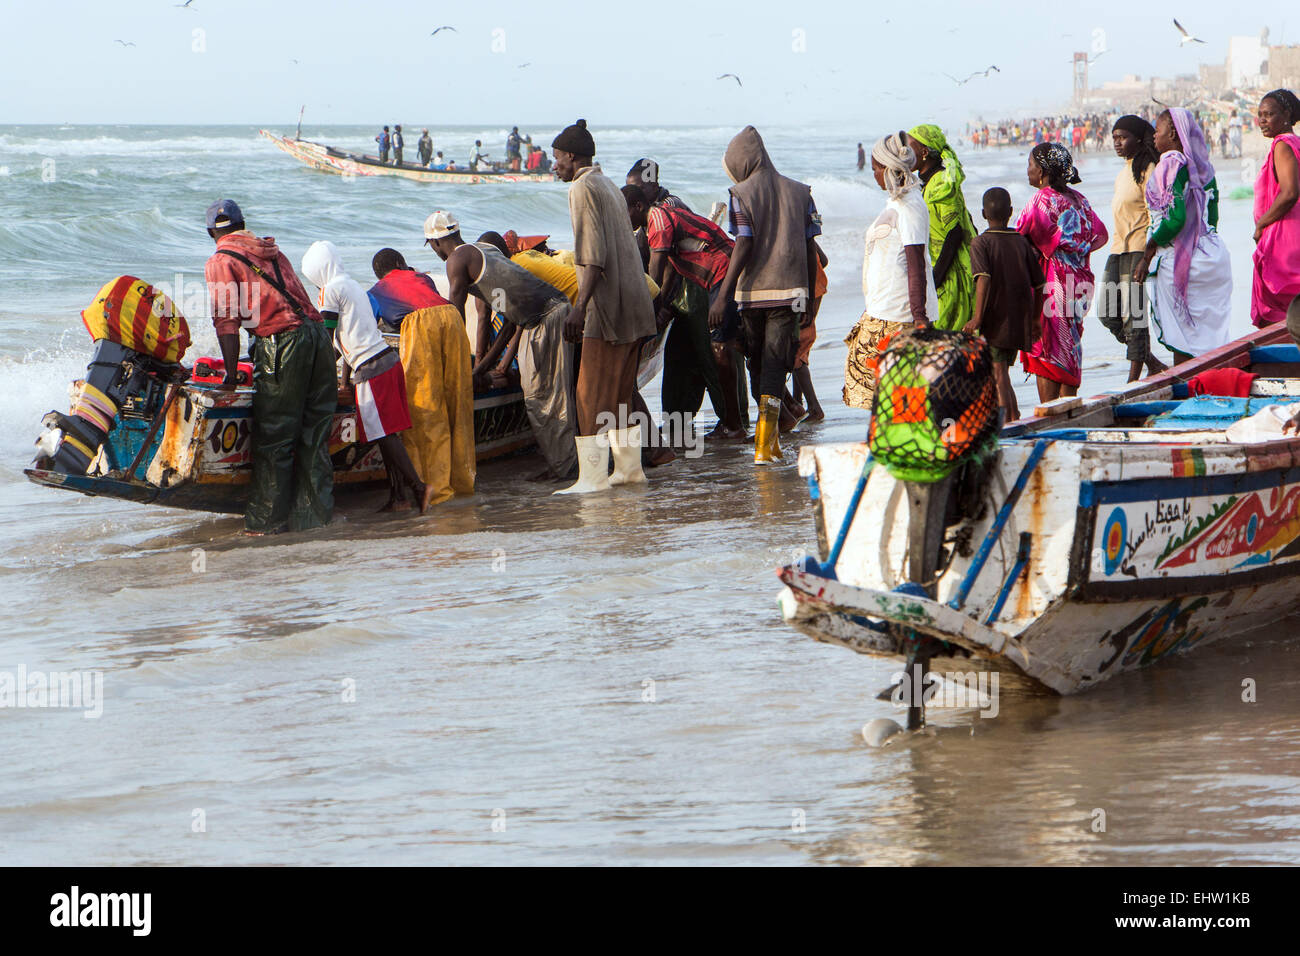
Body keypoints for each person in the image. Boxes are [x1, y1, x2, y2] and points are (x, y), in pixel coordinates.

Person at [202, 199, 335, 534]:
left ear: (210, 233)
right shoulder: (271, 250)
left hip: (282, 344)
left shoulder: (221, 259)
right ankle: (314, 522)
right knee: (315, 437)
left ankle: (266, 526)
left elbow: (226, 320)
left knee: (275, 440)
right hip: (318, 339)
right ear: (243, 223)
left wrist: (231, 376)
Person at [424, 211, 577, 478]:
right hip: (546, 314)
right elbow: (509, 321)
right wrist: (482, 368)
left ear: (436, 242)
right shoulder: (484, 249)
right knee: (547, 394)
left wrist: (456, 369)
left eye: (433, 246)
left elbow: (455, 318)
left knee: (543, 396)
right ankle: (562, 464)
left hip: (546, 318)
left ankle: (566, 470)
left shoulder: (456, 261)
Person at [551, 119, 658, 491]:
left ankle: (593, 477)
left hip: (608, 308)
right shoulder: (608, 183)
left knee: (589, 394)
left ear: (571, 156)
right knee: (619, 395)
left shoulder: (582, 188)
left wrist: (580, 308)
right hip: (638, 304)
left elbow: (592, 255)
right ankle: (629, 470)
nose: (554, 166)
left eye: (557, 158)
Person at [709, 126, 821, 464]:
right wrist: (809, 300)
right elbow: (809, 247)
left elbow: (743, 242)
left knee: (756, 363)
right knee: (775, 364)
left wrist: (723, 295)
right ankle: (765, 441)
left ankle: (766, 440)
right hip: (791, 294)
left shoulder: (740, 192)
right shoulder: (801, 192)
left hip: (751, 295)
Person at [301, 241, 434, 513]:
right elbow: (349, 338)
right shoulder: (352, 286)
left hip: (372, 369)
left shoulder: (329, 290)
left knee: (385, 435)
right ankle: (398, 497)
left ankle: (419, 488)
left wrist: (313, 379)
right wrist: (343, 380)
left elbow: (327, 340)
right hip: (388, 361)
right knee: (386, 433)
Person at [621, 184, 739, 439]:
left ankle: (733, 424)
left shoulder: (659, 221)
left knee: (719, 349)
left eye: (624, 212)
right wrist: (661, 306)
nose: (622, 219)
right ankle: (732, 422)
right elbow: (670, 271)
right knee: (723, 349)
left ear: (638, 206)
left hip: (721, 273)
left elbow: (656, 271)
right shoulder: (659, 219)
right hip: (710, 279)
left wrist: (649, 313)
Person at [367, 248, 475, 504]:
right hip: (452, 320)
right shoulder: (421, 278)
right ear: (399, 263)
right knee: (457, 403)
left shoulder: (375, 291)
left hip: (420, 327)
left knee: (427, 410)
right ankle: (462, 482)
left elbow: (369, 330)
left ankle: (436, 490)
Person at [842, 133, 935, 410]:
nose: (873, 175)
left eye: (875, 169)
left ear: (889, 168)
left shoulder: (910, 207)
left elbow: (916, 262)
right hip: (882, 310)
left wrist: (919, 318)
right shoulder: (897, 203)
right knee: (885, 392)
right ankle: (893, 444)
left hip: (899, 315)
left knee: (900, 394)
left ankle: (903, 445)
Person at [1134, 109, 1232, 364]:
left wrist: (1149, 250)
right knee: (1210, 342)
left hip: (1179, 262)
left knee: (1184, 341)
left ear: (1173, 133)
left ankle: (1191, 395)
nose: (1154, 136)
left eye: (1158, 130)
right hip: (1212, 258)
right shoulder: (1203, 166)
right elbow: (1212, 216)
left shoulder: (1169, 164)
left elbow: (1174, 220)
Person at [1017, 143, 1108, 401]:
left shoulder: (1042, 199)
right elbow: (1100, 234)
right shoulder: (1080, 200)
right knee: (1071, 346)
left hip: (1053, 282)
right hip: (1080, 282)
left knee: (1048, 350)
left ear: (1043, 172)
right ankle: (1070, 408)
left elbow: (1020, 236)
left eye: (1031, 165)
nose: (1028, 171)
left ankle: (1050, 415)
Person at [968, 187, 1045, 423]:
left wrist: (977, 318)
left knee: (997, 373)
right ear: (1011, 212)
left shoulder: (980, 243)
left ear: (983, 213)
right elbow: (1040, 284)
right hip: (1019, 318)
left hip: (995, 320)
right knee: (1002, 372)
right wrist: (1034, 319)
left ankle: (1007, 422)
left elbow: (984, 278)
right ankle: (1013, 416)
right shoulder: (1020, 242)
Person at [1101, 115, 1167, 382]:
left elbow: (1157, 212)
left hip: (1138, 248)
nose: (1117, 143)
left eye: (1123, 137)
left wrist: (1148, 257)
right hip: (1118, 248)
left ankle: (1132, 380)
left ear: (1139, 139)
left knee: (1135, 316)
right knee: (1108, 313)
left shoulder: (1149, 168)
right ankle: (1151, 361)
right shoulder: (1124, 170)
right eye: (1115, 138)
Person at [906, 124, 976, 330]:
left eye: (910, 148)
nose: (905, 153)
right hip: (936, 271)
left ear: (925, 152)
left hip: (949, 277)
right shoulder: (927, 182)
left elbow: (953, 233)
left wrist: (935, 280)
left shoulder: (940, 184)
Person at [1251, 89, 1300, 327]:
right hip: (1291, 232)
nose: (1262, 120)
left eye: (1269, 114)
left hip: (1285, 237)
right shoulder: (1295, 143)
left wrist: (1262, 223)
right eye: (1260, 115)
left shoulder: (1282, 144)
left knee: (1280, 309)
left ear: (1287, 115)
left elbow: (1290, 192)